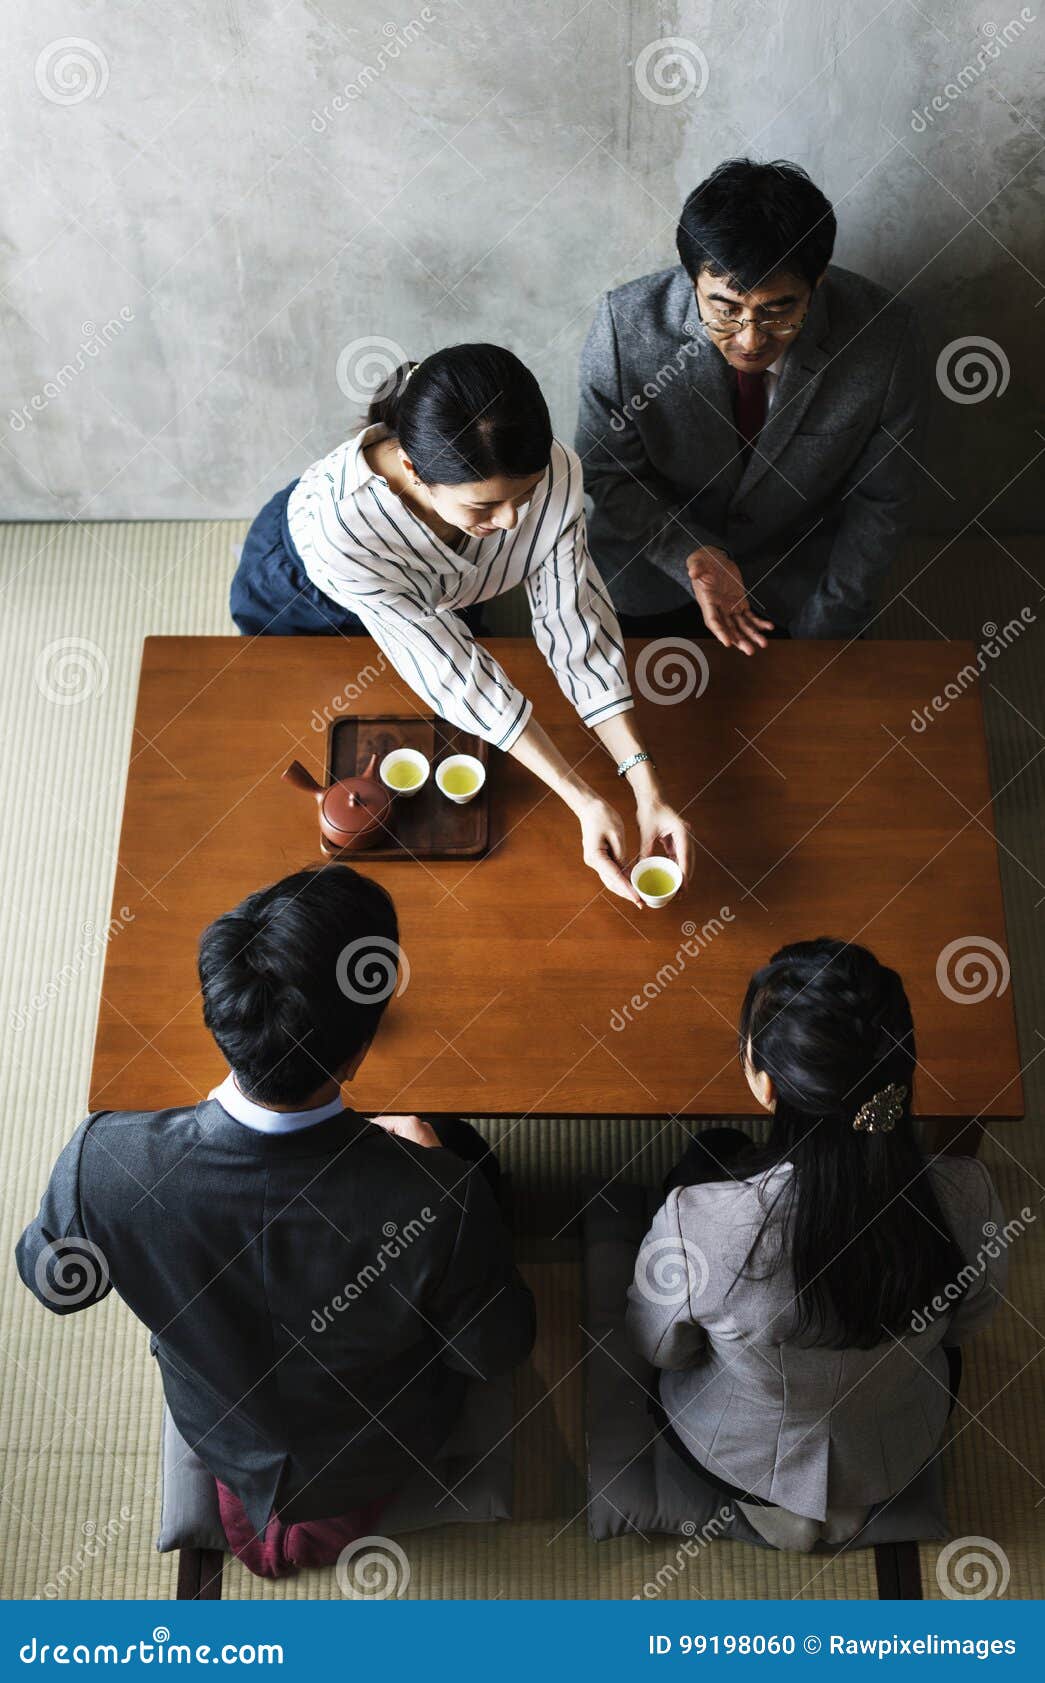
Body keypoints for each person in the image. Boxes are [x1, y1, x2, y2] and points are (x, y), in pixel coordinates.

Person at [17, 866, 536, 1580]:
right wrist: (432, 1172)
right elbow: (488, 1353)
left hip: (223, 1429)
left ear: (221, 1015)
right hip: (375, 1447)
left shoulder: (104, 1159)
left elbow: (57, 1287)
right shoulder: (441, 1198)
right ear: (360, 1053)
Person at [231, 343, 690, 907]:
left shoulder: (554, 470)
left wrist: (646, 785)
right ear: (413, 470)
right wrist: (583, 800)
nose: (513, 520)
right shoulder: (339, 532)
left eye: (524, 495)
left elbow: (578, 628)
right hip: (308, 591)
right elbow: (457, 674)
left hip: (447, 587)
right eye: (485, 507)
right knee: (309, 710)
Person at [626, 938, 1005, 1552]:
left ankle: (778, 1505)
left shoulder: (700, 1223)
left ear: (767, 1086)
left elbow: (659, 1346)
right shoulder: (971, 1193)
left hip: (738, 1448)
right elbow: (967, 1325)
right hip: (894, 1440)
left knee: (709, 1152)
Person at [577, 159, 927, 649]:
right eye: (725, 309)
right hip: (645, 580)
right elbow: (610, 475)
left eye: (778, 309)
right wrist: (690, 553)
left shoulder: (887, 338)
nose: (750, 339)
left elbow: (881, 502)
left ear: (818, 281)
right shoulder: (623, 328)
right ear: (691, 280)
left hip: (801, 596)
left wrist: (827, 626)